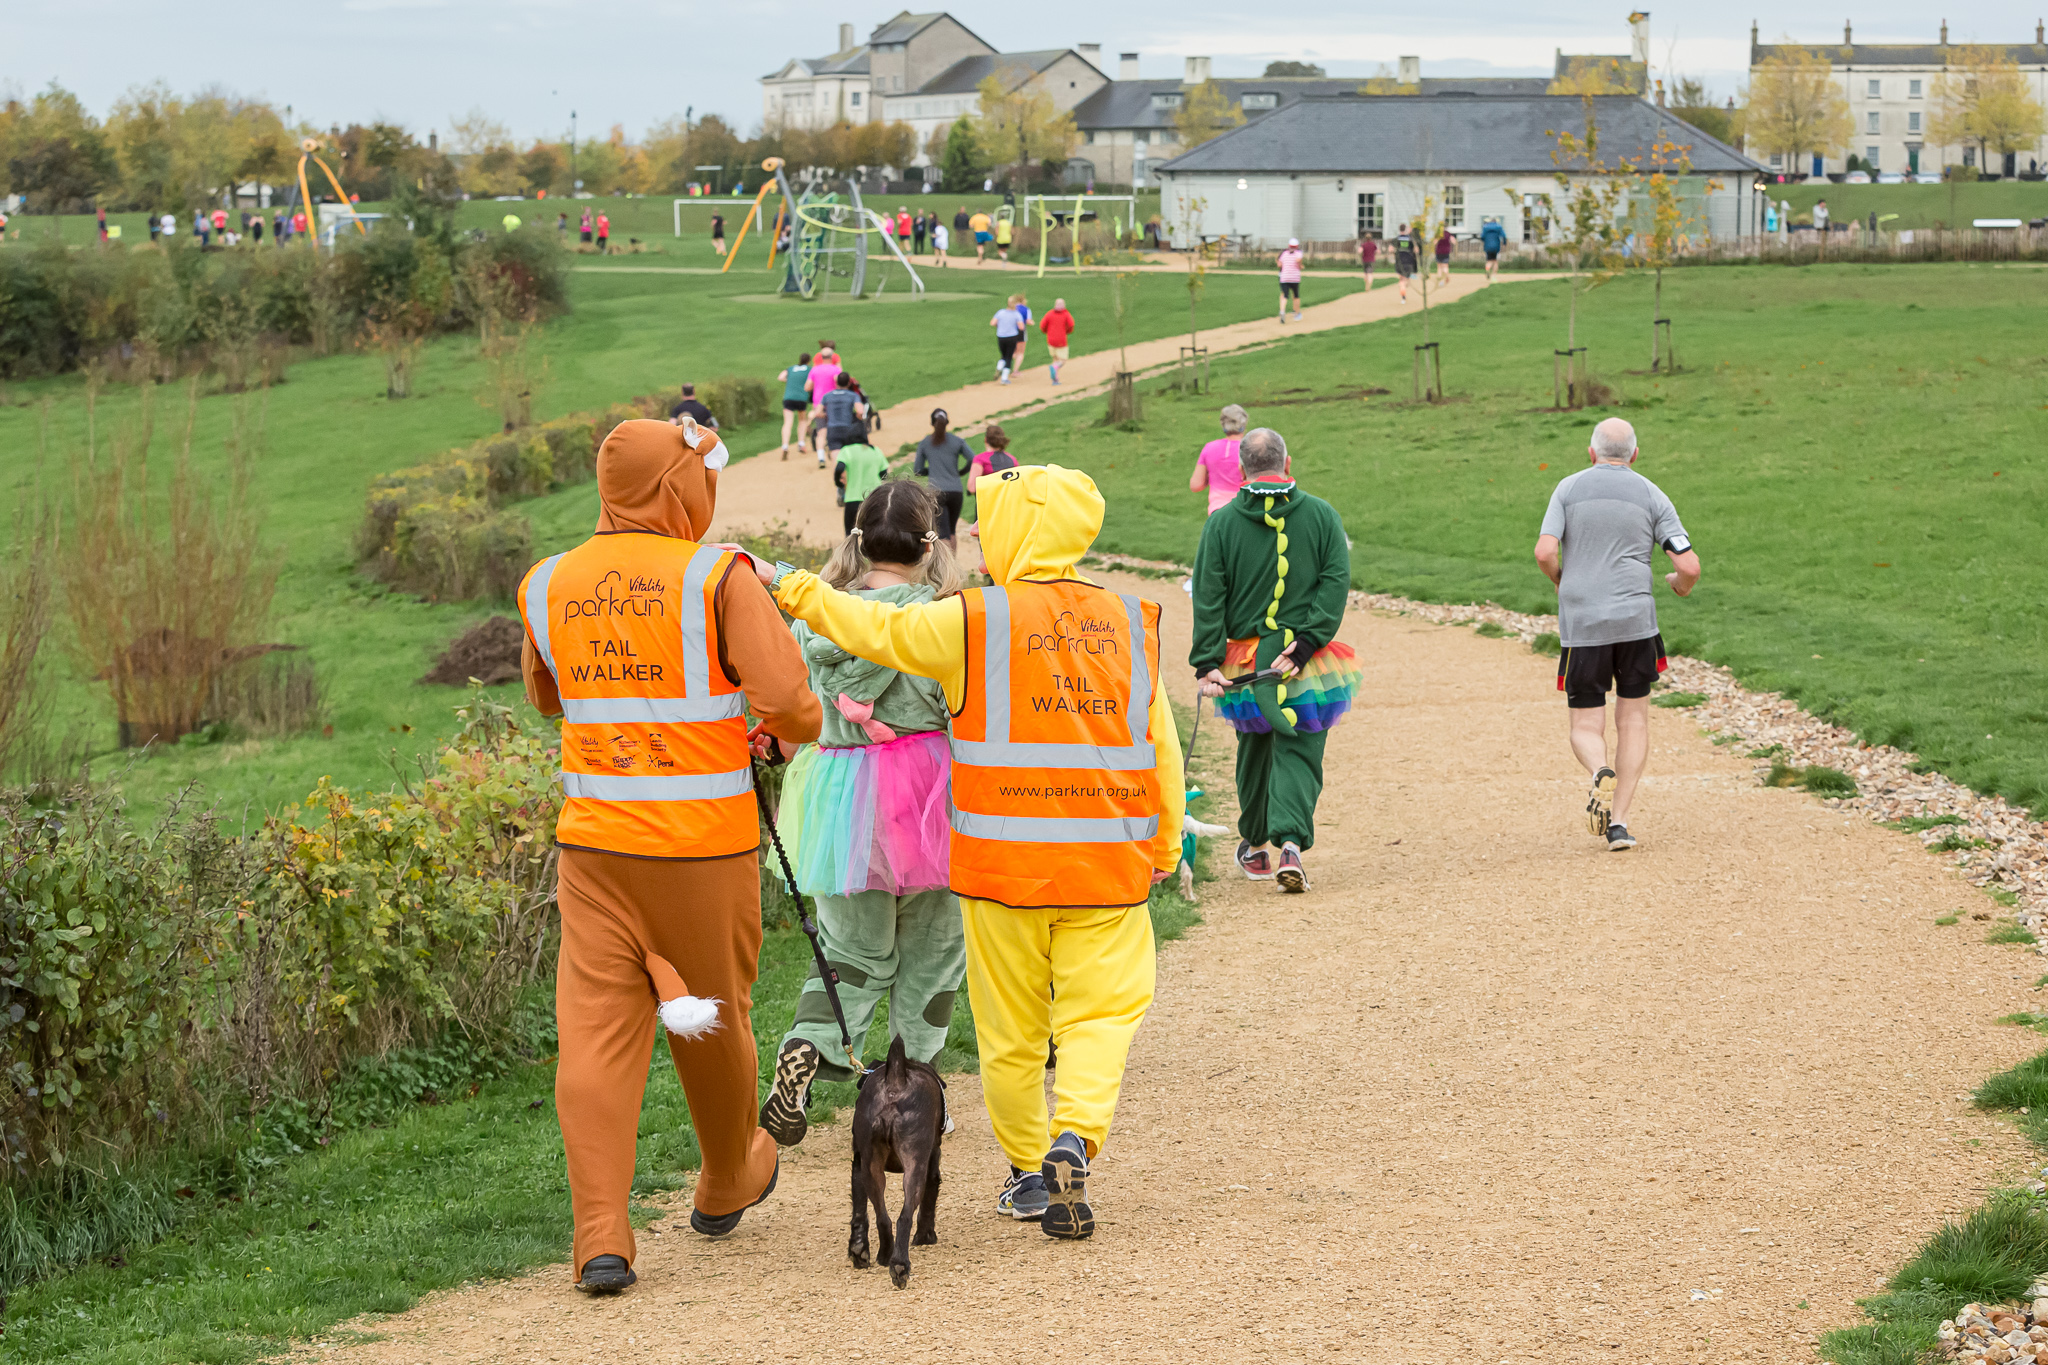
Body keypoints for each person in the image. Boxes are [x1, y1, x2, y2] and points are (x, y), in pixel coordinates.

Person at [747, 462, 1185, 1240]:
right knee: (1096, 1014)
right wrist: (1163, 841)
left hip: (994, 861)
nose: (976, 535)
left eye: (989, 520)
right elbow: (1161, 747)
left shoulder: (973, 620)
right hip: (1099, 863)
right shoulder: (1128, 618)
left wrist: (789, 584)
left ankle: (1022, 1172)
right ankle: (1071, 1138)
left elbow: (871, 630)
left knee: (1007, 1031)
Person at [517, 417, 821, 1293]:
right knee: (713, 1016)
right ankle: (728, 1174)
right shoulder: (716, 575)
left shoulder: (545, 581)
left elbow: (547, 696)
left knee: (597, 1038)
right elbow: (793, 706)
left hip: (596, 849)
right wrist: (761, 733)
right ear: (675, 489)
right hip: (702, 849)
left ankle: (601, 1236)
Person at [755, 480, 968, 1146]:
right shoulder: (948, 615)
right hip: (932, 795)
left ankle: (808, 1044)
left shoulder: (817, 616)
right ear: (930, 544)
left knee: (850, 949)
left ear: (859, 540)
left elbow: (790, 710)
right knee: (933, 952)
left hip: (840, 797)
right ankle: (911, 1091)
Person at [1191, 428, 1359, 893]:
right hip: (1307, 660)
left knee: (1257, 749)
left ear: (1240, 469)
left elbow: (1208, 594)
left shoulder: (1221, 523)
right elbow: (1334, 580)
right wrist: (1307, 642)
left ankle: (1255, 845)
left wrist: (1207, 660)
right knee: (1301, 747)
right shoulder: (1323, 515)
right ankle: (1291, 844)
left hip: (1246, 662)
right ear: (1288, 463)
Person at [1532, 417, 1700, 853]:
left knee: (1587, 722)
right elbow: (1688, 567)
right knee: (1634, 720)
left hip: (1584, 622)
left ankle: (1597, 772)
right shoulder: (1651, 493)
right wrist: (1676, 587)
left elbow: (1545, 551)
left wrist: (1561, 580)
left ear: (1591, 453)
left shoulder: (1567, 489)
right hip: (1634, 622)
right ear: (1634, 456)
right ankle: (1619, 823)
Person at [912, 407, 970, 545]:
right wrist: (960, 472)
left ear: (932, 423)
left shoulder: (925, 443)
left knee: (942, 532)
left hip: (936, 492)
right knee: (952, 531)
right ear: (947, 422)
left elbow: (917, 470)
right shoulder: (957, 441)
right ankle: (953, 564)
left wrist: (929, 471)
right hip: (956, 490)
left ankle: (945, 566)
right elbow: (973, 459)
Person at [1188, 404, 1248, 514]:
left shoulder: (1210, 448)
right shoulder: (1249, 449)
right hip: (1244, 511)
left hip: (1217, 513)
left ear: (1223, 425)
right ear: (1244, 424)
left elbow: (1196, 485)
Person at [833, 431, 889, 535]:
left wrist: (839, 484)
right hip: (874, 500)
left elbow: (839, 468)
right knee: (873, 534)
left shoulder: (847, 451)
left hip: (852, 499)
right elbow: (884, 474)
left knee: (850, 535)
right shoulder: (875, 451)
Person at [821, 370, 866, 468]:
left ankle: (837, 479)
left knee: (835, 455)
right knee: (850, 454)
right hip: (847, 428)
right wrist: (859, 418)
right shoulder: (853, 395)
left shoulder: (827, 396)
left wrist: (826, 414)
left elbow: (817, 413)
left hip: (832, 429)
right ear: (849, 383)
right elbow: (860, 411)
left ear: (836, 383)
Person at [777, 352, 814, 460]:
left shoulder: (791, 368)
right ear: (808, 361)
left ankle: (784, 446)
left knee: (787, 422)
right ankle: (801, 443)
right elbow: (812, 382)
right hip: (801, 398)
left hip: (788, 398)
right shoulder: (809, 369)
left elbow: (781, 377)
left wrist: (790, 381)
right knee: (802, 420)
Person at [965, 424, 1017, 495]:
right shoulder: (1012, 459)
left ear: (985, 440)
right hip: (1010, 503)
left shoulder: (980, 459)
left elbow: (972, 488)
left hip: (989, 503)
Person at [1039, 297, 1075, 384]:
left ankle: (1055, 379)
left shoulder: (1049, 314)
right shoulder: (1066, 314)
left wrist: (1046, 332)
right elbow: (1071, 325)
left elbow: (1042, 325)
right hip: (1061, 340)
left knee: (1055, 359)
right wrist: (1067, 331)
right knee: (1062, 360)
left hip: (1050, 340)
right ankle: (1054, 368)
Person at [990, 296, 1024, 383]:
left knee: (1003, 355)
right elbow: (1021, 327)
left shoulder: (1000, 312)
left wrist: (1000, 326)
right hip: (1012, 337)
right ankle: (1004, 378)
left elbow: (993, 322)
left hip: (1001, 336)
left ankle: (999, 367)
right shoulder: (1016, 314)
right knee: (1009, 357)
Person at [1276, 237, 1304, 322]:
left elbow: (1279, 265)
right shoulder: (1298, 253)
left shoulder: (1284, 253)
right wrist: (1301, 266)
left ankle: (1282, 311)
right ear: (1297, 246)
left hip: (1284, 277)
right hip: (1295, 278)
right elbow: (1298, 262)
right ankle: (1297, 314)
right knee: (1296, 296)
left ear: (1289, 245)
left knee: (1284, 295)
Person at [1392, 222, 1419, 301]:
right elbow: (1416, 250)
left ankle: (1403, 292)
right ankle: (1404, 287)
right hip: (1409, 261)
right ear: (1406, 229)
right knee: (1406, 279)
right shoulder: (1411, 239)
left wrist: (1396, 252)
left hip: (1400, 261)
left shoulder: (1396, 239)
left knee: (1402, 279)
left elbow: (1391, 249)